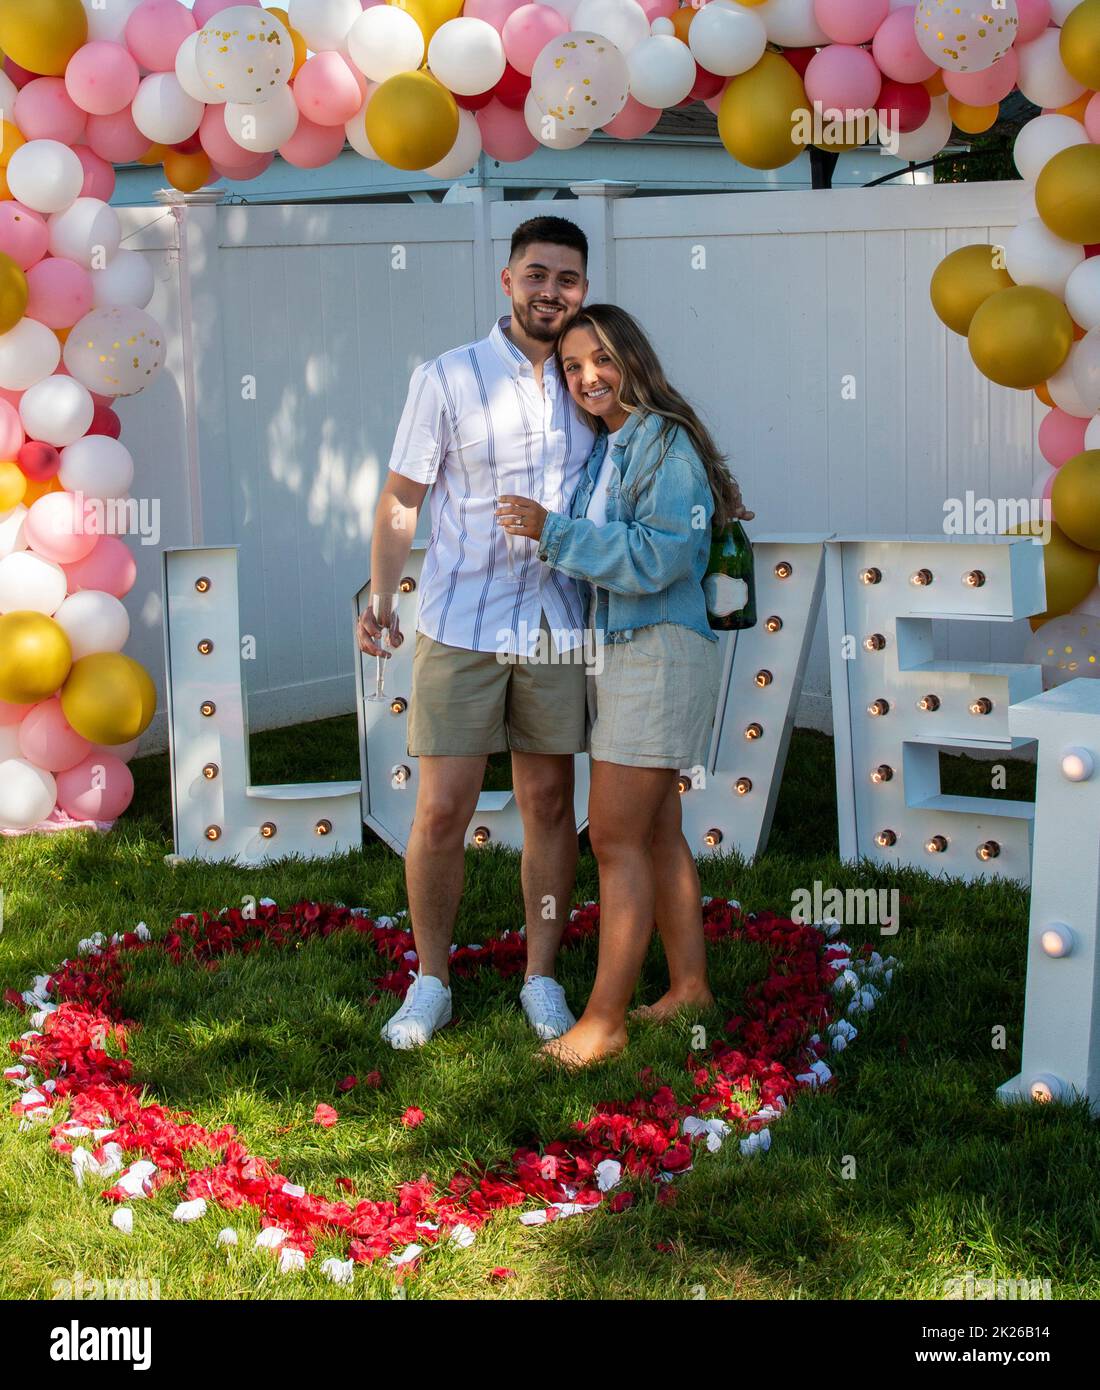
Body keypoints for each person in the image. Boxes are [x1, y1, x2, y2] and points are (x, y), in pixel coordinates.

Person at [357, 217, 596, 1050]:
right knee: (442, 811)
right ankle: (431, 982)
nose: (550, 292)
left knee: (551, 805)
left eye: (567, 279)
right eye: (537, 274)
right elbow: (401, 497)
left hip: (557, 625)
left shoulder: (591, 378)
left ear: (583, 290)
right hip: (461, 622)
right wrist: (383, 595)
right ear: (507, 280)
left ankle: (541, 977)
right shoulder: (448, 377)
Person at [496, 304, 754, 1068]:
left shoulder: (663, 444)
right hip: (624, 653)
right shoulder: (611, 449)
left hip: (658, 653)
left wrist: (553, 531)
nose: (587, 378)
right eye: (573, 367)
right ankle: (690, 988)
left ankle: (603, 1022)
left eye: (601, 359)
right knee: (656, 831)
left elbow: (661, 556)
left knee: (611, 836)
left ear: (632, 357)